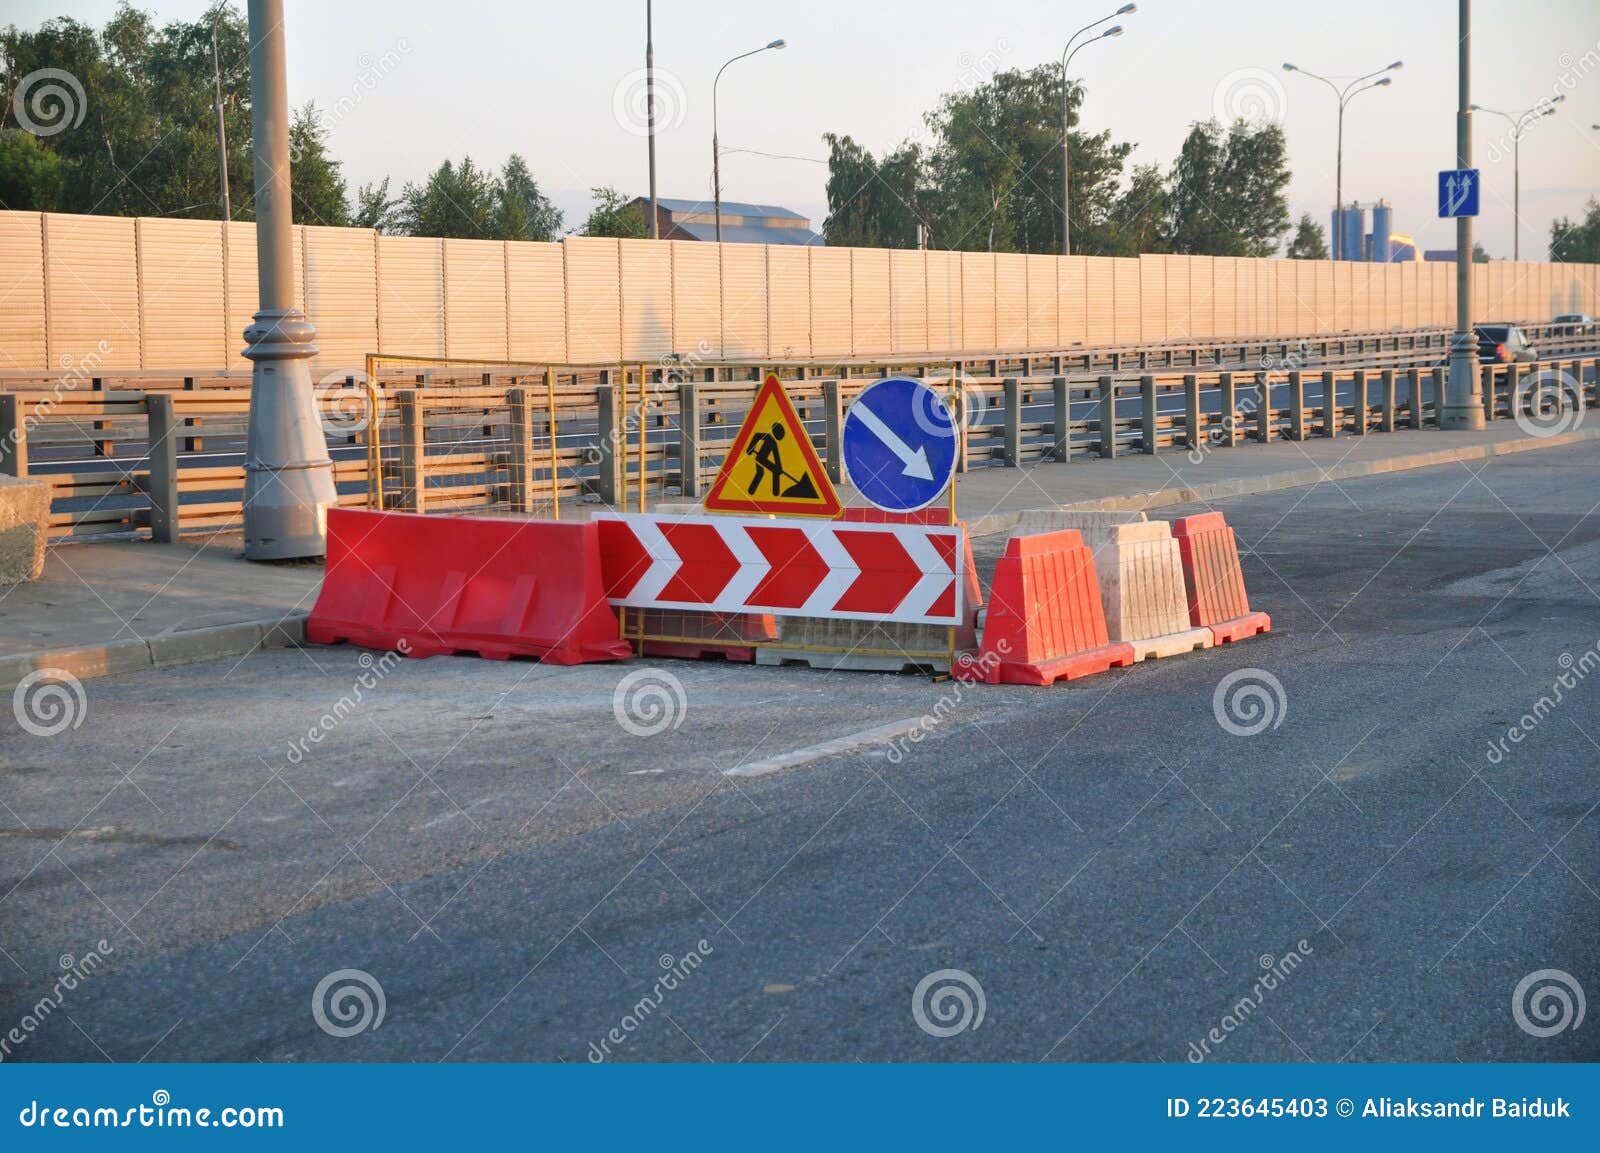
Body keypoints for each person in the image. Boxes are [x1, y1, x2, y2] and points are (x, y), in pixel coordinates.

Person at [745, 422, 787, 497]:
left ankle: (751, 491)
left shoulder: (774, 443)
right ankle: (775, 492)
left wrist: (780, 467)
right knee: (771, 471)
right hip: (761, 459)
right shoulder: (768, 437)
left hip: (761, 459)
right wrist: (750, 448)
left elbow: (776, 456)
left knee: (761, 473)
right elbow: (756, 435)